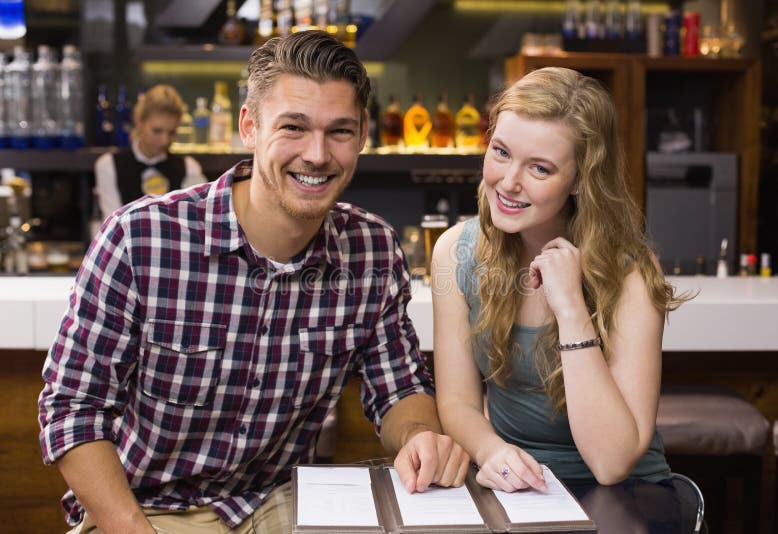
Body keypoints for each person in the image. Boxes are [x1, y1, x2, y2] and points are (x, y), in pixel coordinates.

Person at [39, 31, 468, 534]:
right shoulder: (140, 238)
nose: (317, 154)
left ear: (363, 134)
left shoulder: (371, 249)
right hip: (146, 507)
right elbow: (72, 411)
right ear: (250, 126)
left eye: (340, 132)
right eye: (293, 127)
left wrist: (419, 436)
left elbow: (398, 388)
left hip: (283, 501)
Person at [432, 67, 687, 500]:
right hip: (517, 489)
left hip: (625, 496)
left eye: (540, 168)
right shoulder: (455, 252)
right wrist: (492, 452)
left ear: (580, 179)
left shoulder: (631, 272)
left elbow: (612, 462)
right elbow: (457, 403)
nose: (509, 182)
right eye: (500, 152)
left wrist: (570, 307)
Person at [93, 84, 206, 219]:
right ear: (138, 121)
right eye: (157, 131)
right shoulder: (108, 165)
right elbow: (113, 226)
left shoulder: (189, 167)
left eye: (171, 132)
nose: (164, 141)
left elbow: (197, 222)